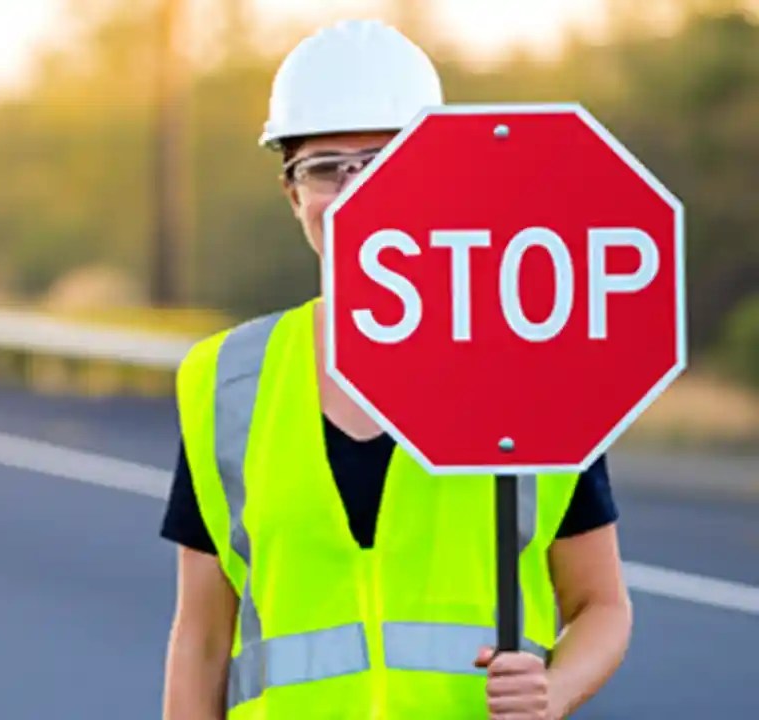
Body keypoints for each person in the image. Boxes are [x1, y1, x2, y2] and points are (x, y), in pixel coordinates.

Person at [158, 19, 633, 720]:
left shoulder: (530, 365)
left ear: (441, 177)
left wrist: (554, 689)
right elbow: (200, 639)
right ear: (293, 195)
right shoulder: (228, 381)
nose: (353, 192)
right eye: (324, 168)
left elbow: (603, 605)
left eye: (381, 163)